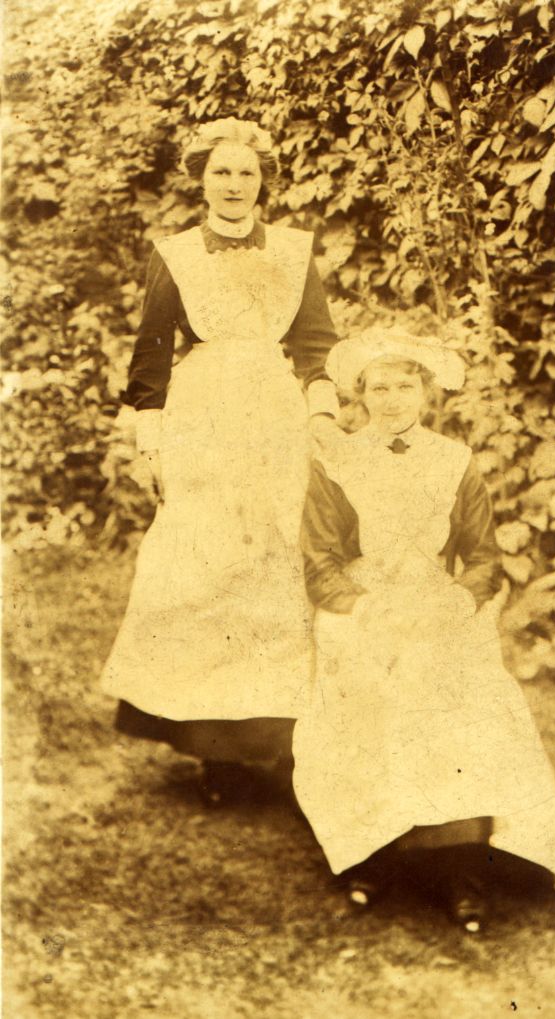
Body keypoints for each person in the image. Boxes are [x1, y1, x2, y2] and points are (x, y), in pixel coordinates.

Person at [292, 327, 555, 931]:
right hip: (361, 606)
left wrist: (456, 601)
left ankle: (461, 872)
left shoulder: (453, 460)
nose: (393, 399)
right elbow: (320, 564)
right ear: (360, 396)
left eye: (405, 385)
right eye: (379, 388)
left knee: (461, 694)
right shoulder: (336, 461)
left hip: (438, 602)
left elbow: (482, 556)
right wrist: (369, 608)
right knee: (374, 692)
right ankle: (373, 856)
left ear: (426, 393)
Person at [102, 118, 341, 802]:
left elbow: (318, 344)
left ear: (263, 181)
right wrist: (151, 443)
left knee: (279, 565)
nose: (234, 186)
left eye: (246, 173)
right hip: (203, 420)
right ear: (201, 180)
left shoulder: (294, 252)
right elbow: (150, 356)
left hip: (275, 419)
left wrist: (321, 413)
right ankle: (217, 754)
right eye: (220, 173)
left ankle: (285, 737)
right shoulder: (175, 254)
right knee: (206, 569)